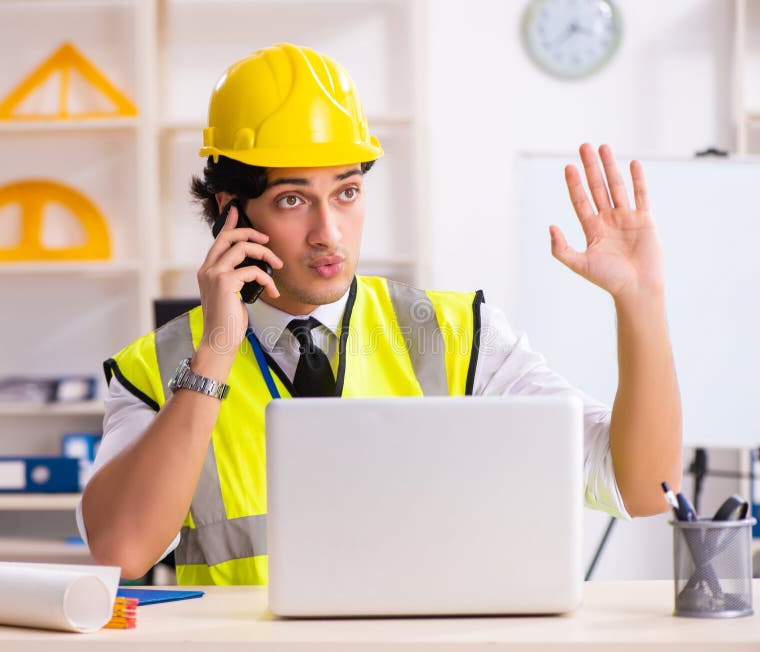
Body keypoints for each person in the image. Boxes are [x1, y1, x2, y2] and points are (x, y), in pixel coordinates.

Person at [79, 43, 682, 585]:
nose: (328, 233)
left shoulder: (456, 337)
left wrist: (641, 301)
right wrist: (214, 351)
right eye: (293, 200)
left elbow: (644, 487)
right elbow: (121, 553)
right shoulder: (159, 366)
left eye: (347, 192)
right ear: (230, 212)